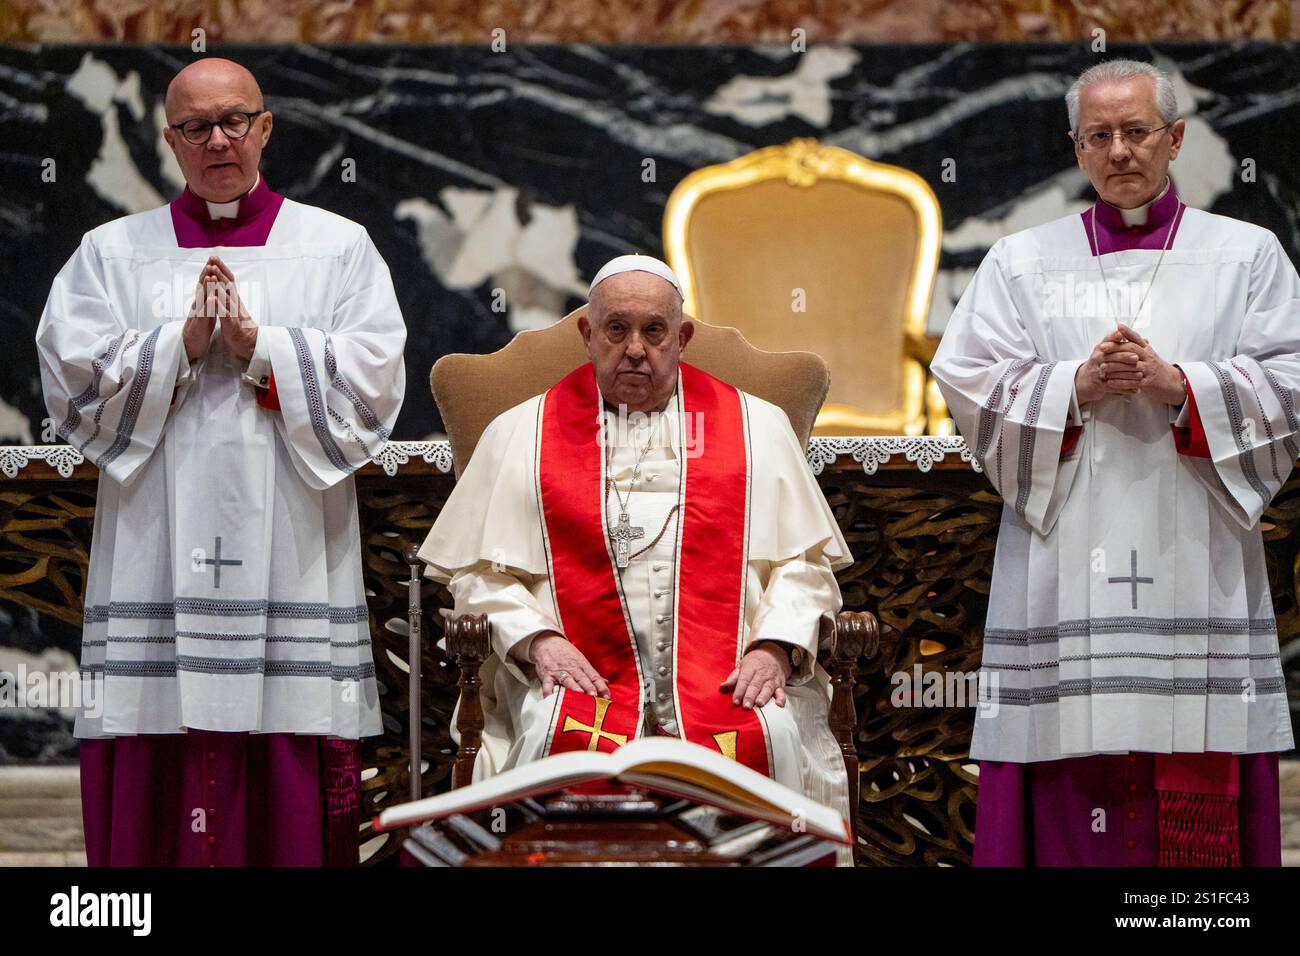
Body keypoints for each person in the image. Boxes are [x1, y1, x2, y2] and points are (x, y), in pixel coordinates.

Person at [36, 58, 407, 866]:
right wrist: (180, 345)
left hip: (295, 553)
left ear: (266, 126)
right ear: (168, 139)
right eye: (196, 126)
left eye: (236, 119)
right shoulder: (110, 253)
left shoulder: (338, 248)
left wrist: (259, 347)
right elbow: (69, 374)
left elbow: (376, 379)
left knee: (287, 731)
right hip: (151, 549)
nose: (219, 140)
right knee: (154, 728)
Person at [931, 58, 1296, 866]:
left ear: (1176, 138)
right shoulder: (1023, 262)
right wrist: (1073, 386)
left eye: (1137, 132)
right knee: (1069, 737)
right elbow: (968, 380)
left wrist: (1180, 385)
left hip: (1196, 546)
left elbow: (1290, 377)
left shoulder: (1248, 253)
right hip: (1066, 553)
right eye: (1099, 136)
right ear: (1076, 147)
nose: (1119, 151)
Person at [418, 254, 853, 851]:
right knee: (551, 734)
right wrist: (537, 641)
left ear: (683, 338)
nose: (634, 349)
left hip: (730, 672)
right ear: (587, 334)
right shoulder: (521, 432)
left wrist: (775, 648)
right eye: (616, 329)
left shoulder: (758, 427)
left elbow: (804, 566)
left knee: (768, 732)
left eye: (654, 331)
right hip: (578, 678)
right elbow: (476, 576)